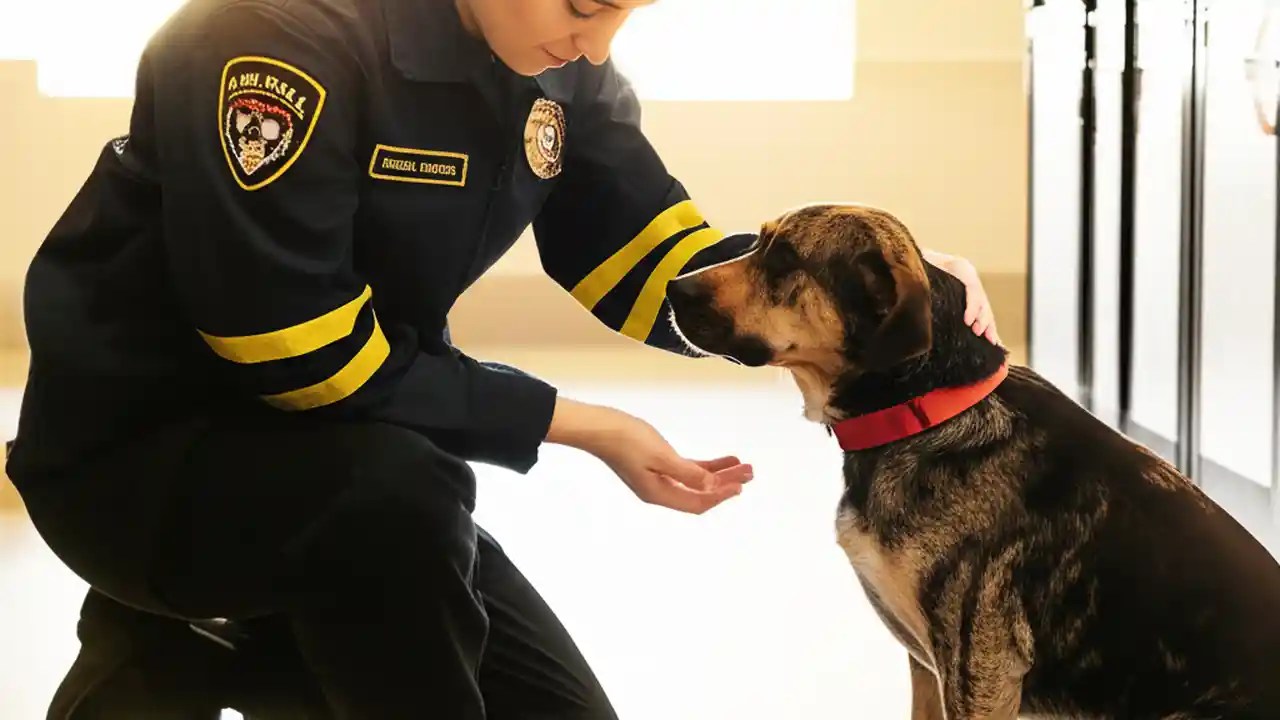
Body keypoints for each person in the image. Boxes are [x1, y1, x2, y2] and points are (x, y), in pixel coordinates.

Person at [5, 0, 1001, 717]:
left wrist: (887, 283)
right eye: (582, 7)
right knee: (405, 498)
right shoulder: (271, 36)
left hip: (351, 467)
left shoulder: (555, 62)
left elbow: (657, 262)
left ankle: (192, 646)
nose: (596, 42)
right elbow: (292, 346)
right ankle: (191, 618)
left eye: (622, 16)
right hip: (156, 467)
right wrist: (587, 424)